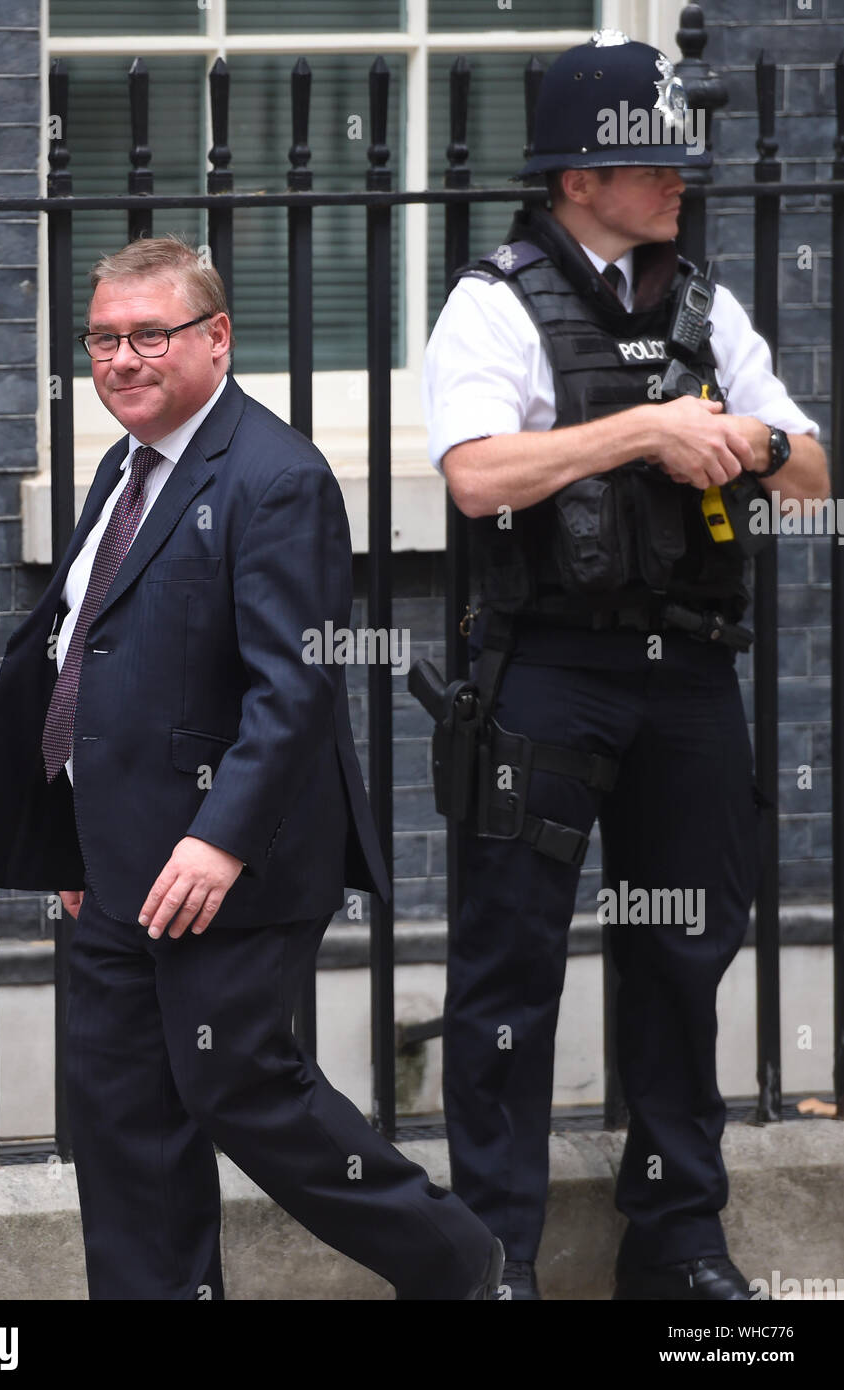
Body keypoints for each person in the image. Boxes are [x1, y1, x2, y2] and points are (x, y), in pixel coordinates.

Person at [0, 235, 503, 1300]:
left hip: (227, 865)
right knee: (123, 1117)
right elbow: (87, 648)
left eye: (148, 336)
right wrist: (69, 833)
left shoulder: (275, 476)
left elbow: (293, 687)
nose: (121, 360)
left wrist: (216, 837)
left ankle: (454, 1261)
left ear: (215, 340)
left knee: (240, 1087)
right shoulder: (127, 467)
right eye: (104, 339)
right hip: (116, 864)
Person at [421, 30, 828, 1301]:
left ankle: (679, 1245)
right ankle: (494, 1260)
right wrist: (641, 431)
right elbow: (476, 473)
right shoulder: (493, 300)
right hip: (546, 668)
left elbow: (815, 475)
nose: (675, 180)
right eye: (646, 161)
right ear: (573, 178)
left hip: (690, 677)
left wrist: (747, 444)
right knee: (508, 966)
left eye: (676, 160)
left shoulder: (707, 306)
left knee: (682, 953)